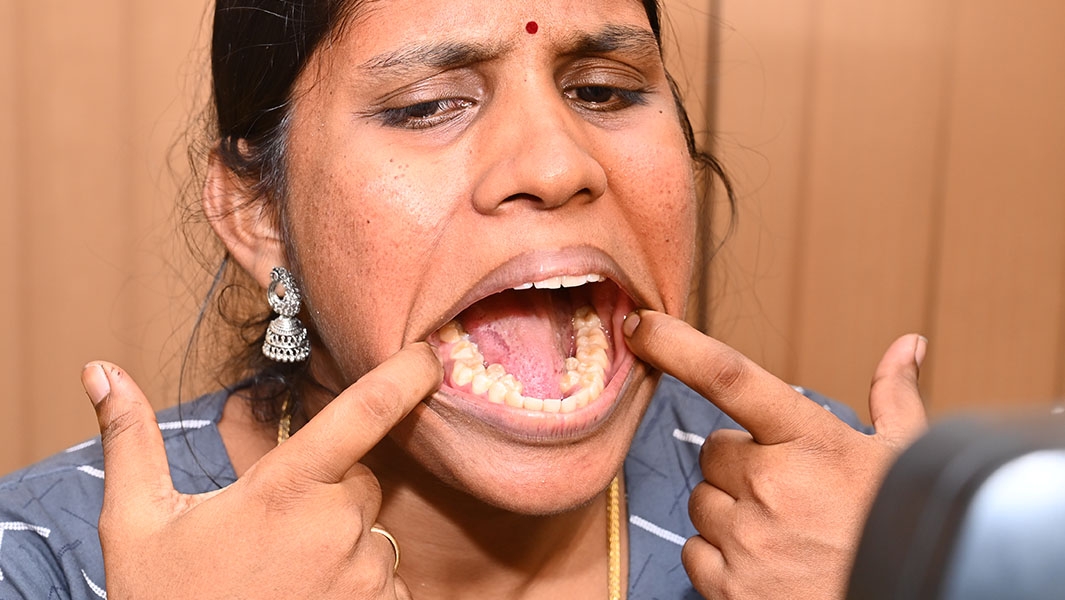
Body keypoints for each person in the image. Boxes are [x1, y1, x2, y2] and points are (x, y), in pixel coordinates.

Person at [0, 0, 928, 598]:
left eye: (603, 90)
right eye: (426, 105)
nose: (558, 164)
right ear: (258, 214)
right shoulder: (48, 557)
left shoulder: (837, 517)